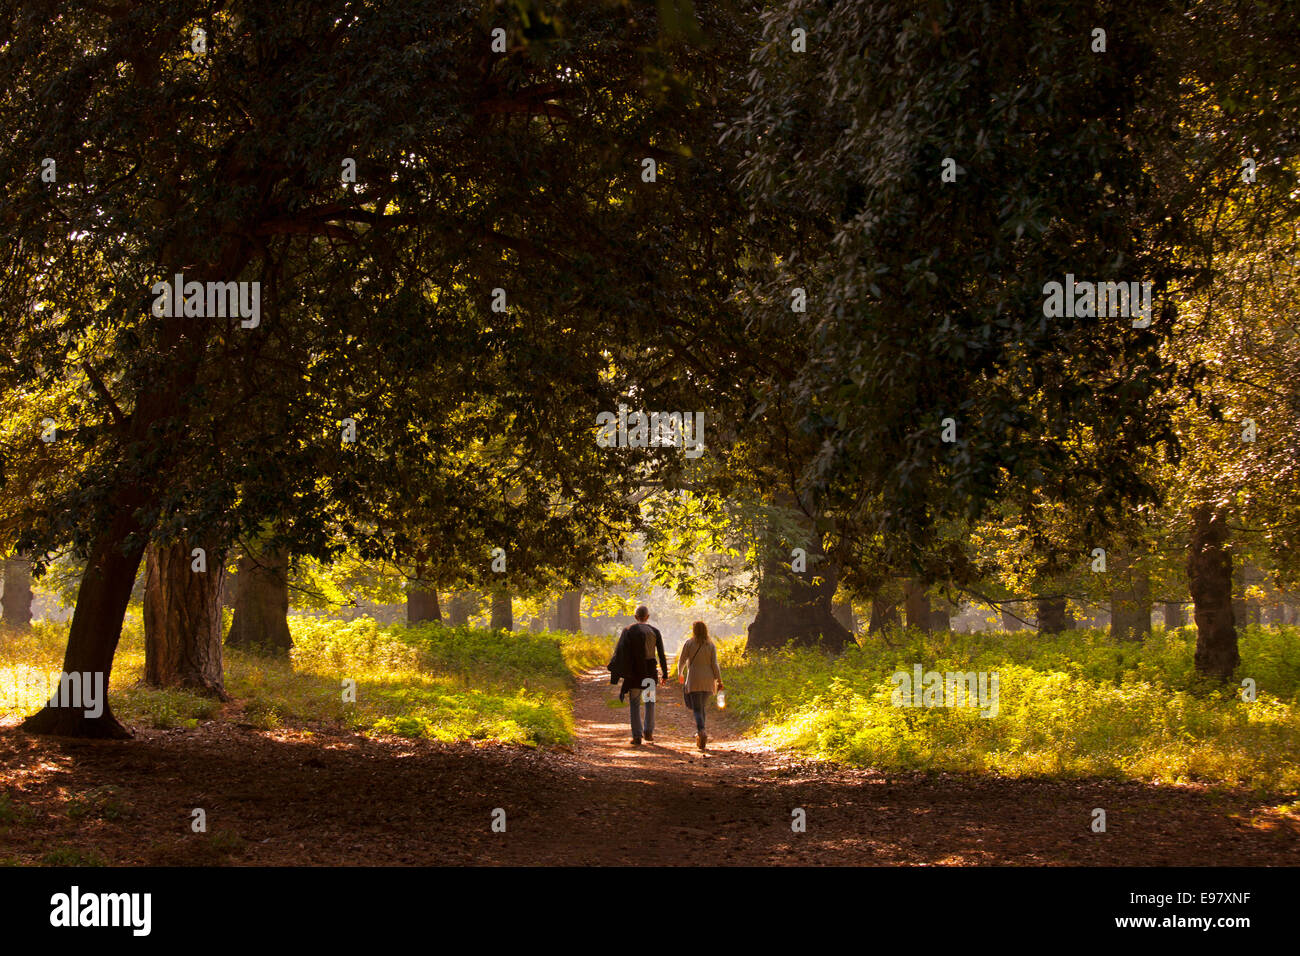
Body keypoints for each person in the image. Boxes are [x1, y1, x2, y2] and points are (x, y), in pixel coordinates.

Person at [607, 605, 668, 746]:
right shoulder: (655, 631)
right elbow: (661, 654)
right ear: (647, 617)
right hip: (650, 671)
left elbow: (620, 652)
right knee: (649, 702)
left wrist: (618, 671)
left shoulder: (628, 631)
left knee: (634, 703)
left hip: (634, 672)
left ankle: (636, 736)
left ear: (635, 617)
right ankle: (648, 731)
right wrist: (665, 673)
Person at [676, 621, 723, 751]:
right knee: (702, 707)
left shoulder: (689, 643)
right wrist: (719, 680)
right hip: (708, 680)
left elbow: (681, 660)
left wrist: (680, 673)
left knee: (697, 708)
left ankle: (701, 731)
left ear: (694, 630)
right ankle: (702, 731)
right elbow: (714, 664)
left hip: (694, 679)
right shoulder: (710, 645)